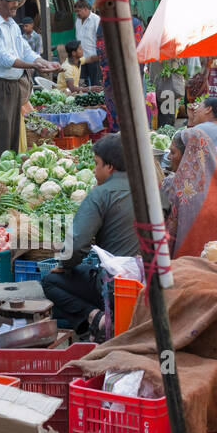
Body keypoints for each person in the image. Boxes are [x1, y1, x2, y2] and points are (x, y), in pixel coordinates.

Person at [41, 135, 138, 337]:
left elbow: (77, 246)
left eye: (96, 164)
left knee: (50, 281)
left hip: (116, 284)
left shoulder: (100, 194)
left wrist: (64, 265)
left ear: (109, 167)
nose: (94, 170)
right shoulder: (148, 188)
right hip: (151, 275)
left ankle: (97, 318)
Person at [0, 0, 56, 164]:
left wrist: (44, 63)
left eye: (16, 1)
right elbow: (4, 59)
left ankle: (11, 179)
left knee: (12, 137)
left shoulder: (12, 25)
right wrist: (33, 66)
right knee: (0, 139)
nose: (16, 5)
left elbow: (25, 50)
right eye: (11, 1)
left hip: (14, 85)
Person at [163, 128, 217, 259]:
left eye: (173, 152)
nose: (168, 157)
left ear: (187, 156)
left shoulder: (175, 184)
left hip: (186, 264)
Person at [95, 14, 145, 131]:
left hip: (113, 81)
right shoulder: (135, 23)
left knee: (117, 117)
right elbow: (139, 55)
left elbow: (102, 55)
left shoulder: (103, 25)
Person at [73, 0, 102, 86]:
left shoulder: (96, 19)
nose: (77, 13)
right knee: (82, 84)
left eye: (79, 11)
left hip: (94, 57)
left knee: (96, 84)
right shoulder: (78, 20)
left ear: (86, 9)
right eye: (76, 12)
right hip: (81, 58)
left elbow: (100, 38)